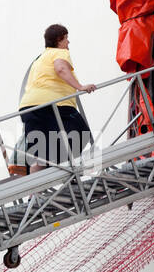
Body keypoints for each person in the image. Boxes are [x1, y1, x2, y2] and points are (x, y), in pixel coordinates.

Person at [18, 23, 96, 172]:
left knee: (40, 154)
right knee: (81, 132)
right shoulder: (60, 52)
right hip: (53, 105)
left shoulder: (39, 59)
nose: (68, 42)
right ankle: (65, 170)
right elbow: (60, 68)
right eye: (66, 38)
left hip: (28, 107)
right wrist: (80, 87)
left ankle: (35, 194)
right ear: (59, 40)